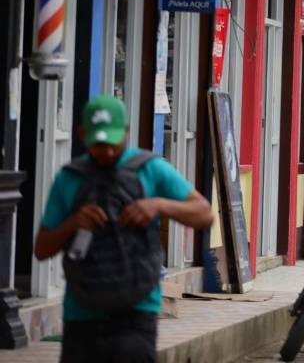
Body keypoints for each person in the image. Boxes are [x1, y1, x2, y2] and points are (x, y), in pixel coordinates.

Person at [35, 95, 213, 363]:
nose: (106, 151)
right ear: (82, 134)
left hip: (136, 312)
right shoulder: (69, 179)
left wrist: (159, 205)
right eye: (99, 143)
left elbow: (205, 214)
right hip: (82, 314)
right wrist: (73, 223)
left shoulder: (151, 169)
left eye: (113, 143)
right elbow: (41, 249)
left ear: (127, 133)